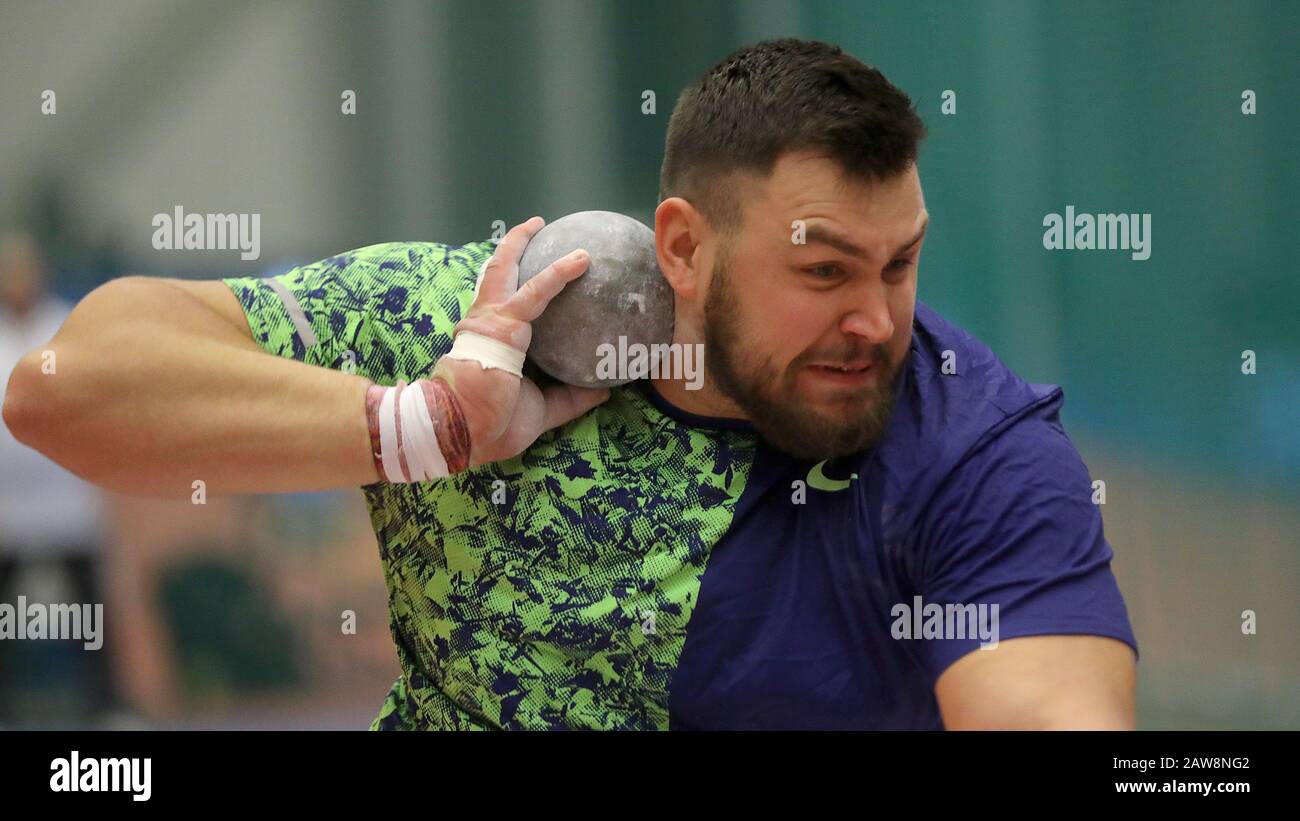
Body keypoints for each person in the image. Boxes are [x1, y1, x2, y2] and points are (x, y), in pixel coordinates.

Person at [3, 38, 1137, 730]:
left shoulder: (975, 450)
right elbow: (60, 387)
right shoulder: (489, 319)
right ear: (683, 246)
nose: (875, 321)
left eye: (901, 263)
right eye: (822, 270)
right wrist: (429, 424)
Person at [0, 231, 113, 725]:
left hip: (66, 495)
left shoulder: (67, 326)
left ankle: (105, 706)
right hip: (8, 505)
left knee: (88, 609)